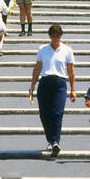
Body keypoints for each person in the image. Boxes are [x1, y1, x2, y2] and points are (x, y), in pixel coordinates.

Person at [29, 23, 76, 156]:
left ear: (61, 36)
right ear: (49, 36)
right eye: (53, 36)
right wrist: (32, 85)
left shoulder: (67, 50)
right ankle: (50, 140)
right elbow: (37, 67)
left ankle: (55, 141)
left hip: (60, 83)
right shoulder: (42, 49)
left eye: (58, 36)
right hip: (45, 82)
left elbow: (71, 71)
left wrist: (73, 89)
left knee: (57, 112)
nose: (56, 39)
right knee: (44, 114)